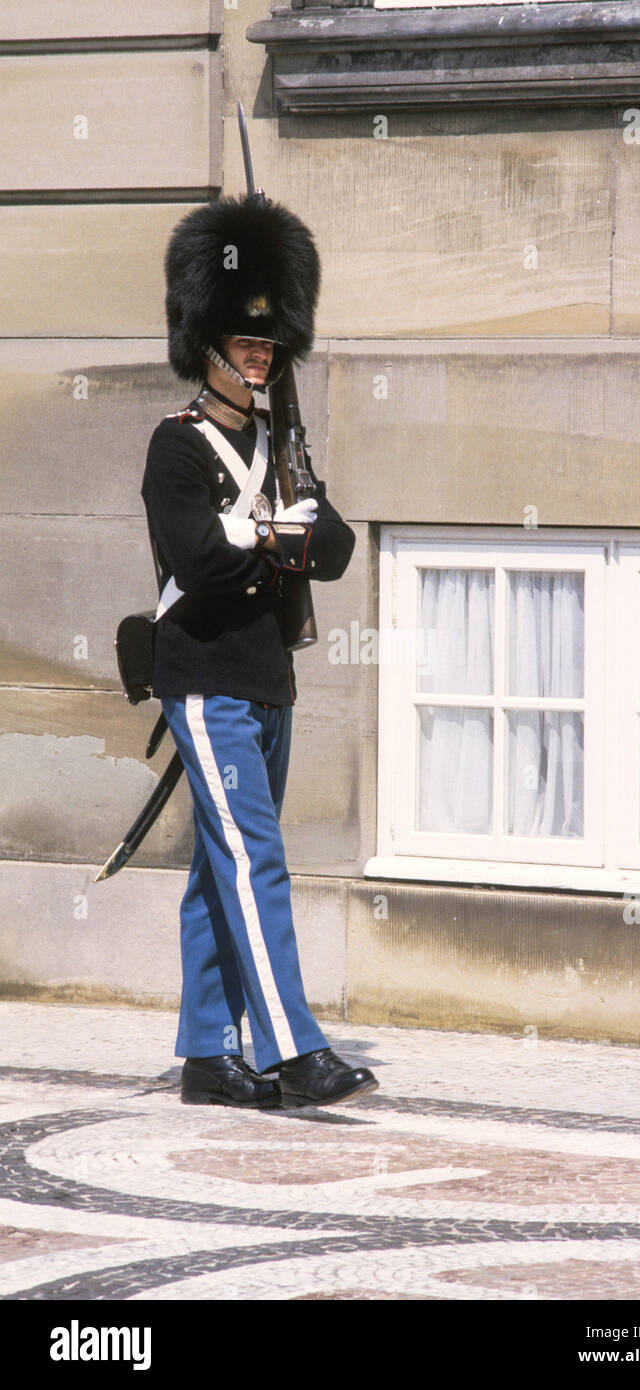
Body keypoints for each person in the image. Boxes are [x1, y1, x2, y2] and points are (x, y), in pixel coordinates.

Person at [141, 193, 377, 1110]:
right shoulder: (178, 448)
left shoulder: (282, 448)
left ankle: (206, 1055)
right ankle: (290, 1050)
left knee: (218, 865)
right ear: (207, 347)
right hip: (201, 678)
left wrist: (288, 532)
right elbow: (198, 559)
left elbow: (339, 549)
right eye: (246, 347)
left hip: (266, 680)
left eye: (270, 347)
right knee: (255, 859)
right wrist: (278, 541)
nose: (261, 358)